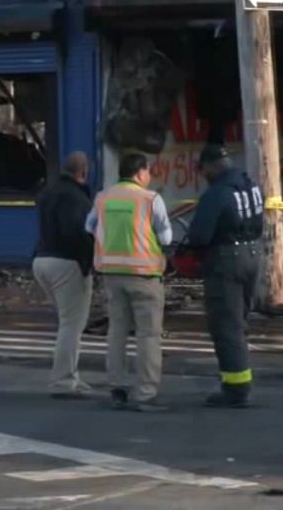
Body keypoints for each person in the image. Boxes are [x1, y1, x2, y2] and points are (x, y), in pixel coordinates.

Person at [86, 153, 173, 412]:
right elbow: (166, 238)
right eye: (148, 172)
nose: (149, 177)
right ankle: (145, 392)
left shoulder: (103, 197)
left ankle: (117, 387)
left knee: (117, 331)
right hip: (144, 274)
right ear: (140, 172)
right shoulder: (150, 199)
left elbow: (89, 226)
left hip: (111, 274)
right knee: (147, 335)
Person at [185, 144, 264, 408]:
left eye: (204, 169)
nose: (203, 174)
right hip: (252, 256)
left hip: (225, 262)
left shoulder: (217, 194)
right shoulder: (250, 186)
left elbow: (199, 236)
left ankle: (236, 387)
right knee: (238, 321)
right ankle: (238, 380)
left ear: (212, 166)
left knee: (226, 325)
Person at [32, 151, 96, 399]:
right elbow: (76, 232)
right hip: (67, 263)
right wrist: (89, 259)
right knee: (72, 325)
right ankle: (63, 381)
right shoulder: (75, 198)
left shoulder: (48, 192)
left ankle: (72, 375)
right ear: (83, 173)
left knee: (66, 322)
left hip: (42, 259)